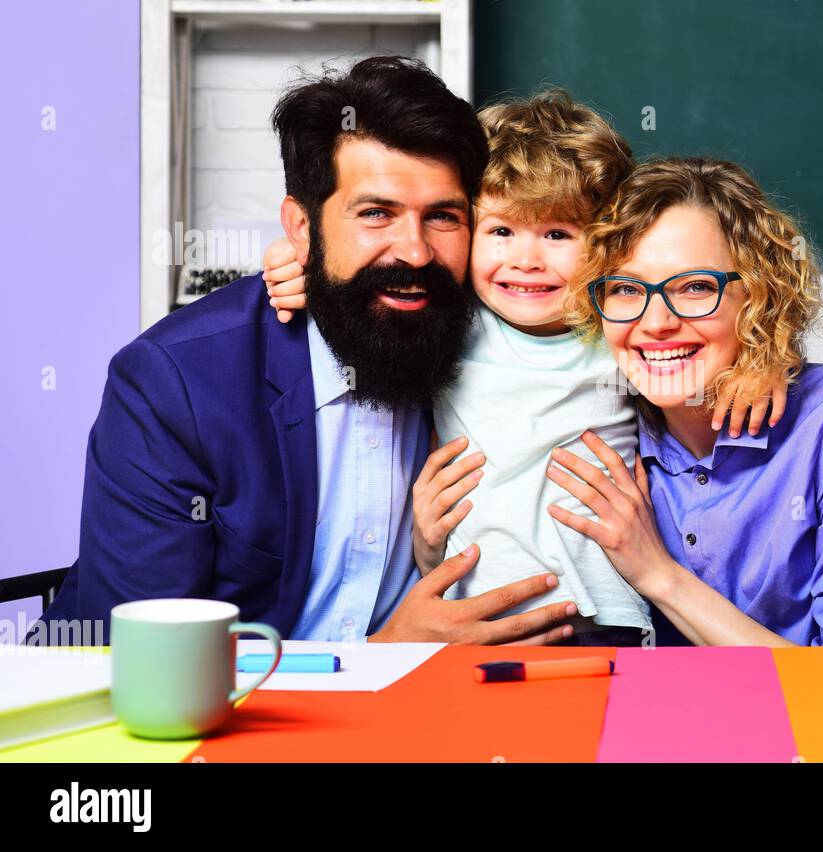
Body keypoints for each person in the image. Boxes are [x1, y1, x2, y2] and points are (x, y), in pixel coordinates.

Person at [261, 90, 823, 645]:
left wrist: (771, 360)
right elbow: (386, 285)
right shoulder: (476, 335)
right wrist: (305, 263)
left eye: (558, 235)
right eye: (628, 290)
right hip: (492, 631)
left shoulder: (625, 346)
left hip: (658, 651)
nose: (654, 324)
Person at [37, 57, 578, 645]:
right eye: (376, 213)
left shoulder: (477, 327)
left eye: (443, 217)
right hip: (188, 719)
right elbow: (146, 660)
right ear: (301, 227)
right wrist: (387, 656)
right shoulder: (173, 384)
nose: (416, 252)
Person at [546, 157, 823, 646]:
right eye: (624, 289)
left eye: (696, 287)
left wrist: (659, 576)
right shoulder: (603, 425)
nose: (656, 322)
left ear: (760, 297)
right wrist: (430, 550)